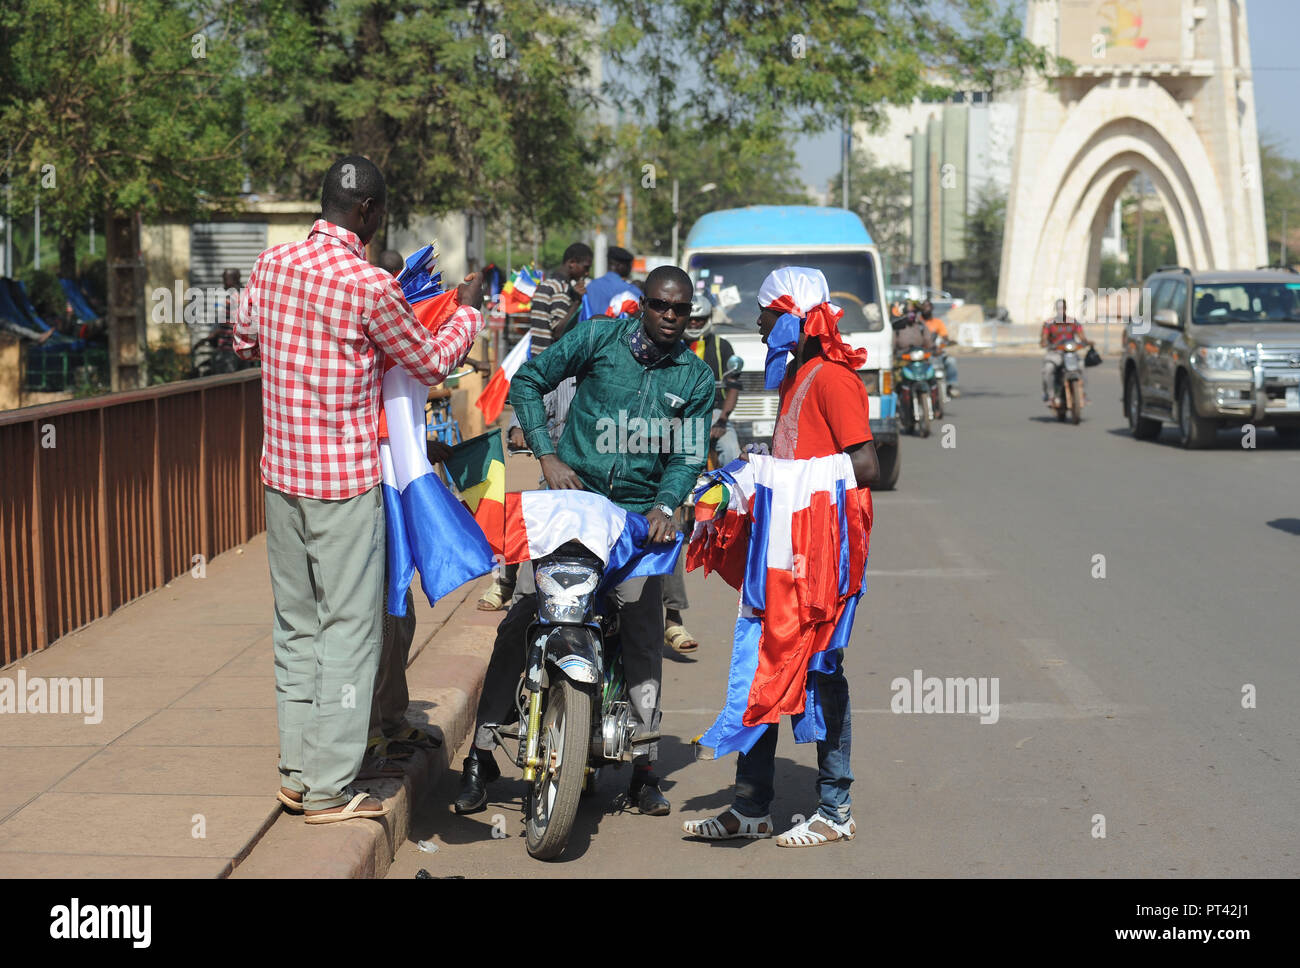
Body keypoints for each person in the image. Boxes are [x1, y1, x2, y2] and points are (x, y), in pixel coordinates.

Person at [235, 154, 485, 824]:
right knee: (350, 632)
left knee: (297, 628)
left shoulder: (271, 266)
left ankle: (296, 772)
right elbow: (430, 360)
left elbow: (241, 338)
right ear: (369, 214)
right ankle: (327, 790)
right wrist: (466, 316)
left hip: (280, 476)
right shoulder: (370, 288)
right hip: (343, 486)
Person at [455, 265, 714, 817]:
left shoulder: (694, 378)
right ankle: (479, 758)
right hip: (571, 511)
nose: (671, 317)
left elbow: (689, 455)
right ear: (643, 305)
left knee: (645, 637)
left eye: (681, 310)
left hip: (637, 525)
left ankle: (644, 768)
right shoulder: (599, 337)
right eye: (662, 306)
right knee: (522, 619)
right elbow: (528, 381)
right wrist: (547, 455)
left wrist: (667, 506)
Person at [682, 266, 878, 848]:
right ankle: (751, 806)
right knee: (762, 662)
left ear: (789, 315)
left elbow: (863, 467)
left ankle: (835, 808)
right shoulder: (798, 375)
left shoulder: (833, 380)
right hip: (782, 549)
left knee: (821, 672)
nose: (760, 324)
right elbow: (799, 453)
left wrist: (779, 474)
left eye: (765, 314)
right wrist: (754, 470)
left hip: (820, 556)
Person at [477, 241, 594, 611]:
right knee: (533, 509)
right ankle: (513, 585)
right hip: (550, 396)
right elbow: (559, 332)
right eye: (584, 267)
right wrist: (579, 301)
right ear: (573, 264)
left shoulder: (548, 286)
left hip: (586, 456)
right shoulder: (559, 290)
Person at [660, 292, 743, 656]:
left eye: (693, 319)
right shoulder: (669, 348)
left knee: (731, 453)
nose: (689, 324)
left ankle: (727, 516)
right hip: (673, 421)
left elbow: (733, 390)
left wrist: (721, 421)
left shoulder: (720, 346)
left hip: (711, 416)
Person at [1040, 298, 1091, 406]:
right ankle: (1050, 395)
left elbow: (1082, 336)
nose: (1060, 310)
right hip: (1055, 353)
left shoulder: (1073, 322)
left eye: (1062, 308)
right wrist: (1045, 342)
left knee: (1081, 365)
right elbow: (1044, 338)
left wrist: (1086, 342)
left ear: (1065, 309)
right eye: (1058, 308)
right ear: (1055, 309)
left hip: (1071, 353)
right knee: (1048, 368)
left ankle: (1082, 394)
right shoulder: (1049, 323)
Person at [583, 245, 640, 318]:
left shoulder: (590, 286)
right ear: (620, 266)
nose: (630, 269)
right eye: (629, 266)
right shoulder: (630, 290)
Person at [919, 299, 959, 397]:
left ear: (932, 308)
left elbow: (945, 337)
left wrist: (943, 346)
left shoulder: (937, 322)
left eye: (928, 306)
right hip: (921, 354)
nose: (926, 309)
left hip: (935, 352)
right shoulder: (917, 322)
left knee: (951, 361)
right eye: (923, 306)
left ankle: (951, 386)